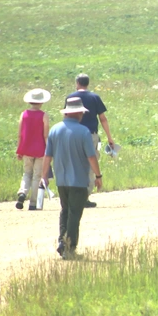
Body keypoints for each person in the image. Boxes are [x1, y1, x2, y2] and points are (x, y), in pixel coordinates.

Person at [41, 96, 103, 258]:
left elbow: (47, 156)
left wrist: (44, 176)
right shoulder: (83, 132)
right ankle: (69, 246)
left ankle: (62, 240)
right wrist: (98, 175)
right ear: (79, 114)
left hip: (62, 181)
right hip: (79, 180)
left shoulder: (55, 129)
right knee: (75, 214)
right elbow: (91, 157)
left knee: (65, 211)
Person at [68, 73, 115, 207]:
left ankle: (73, 195)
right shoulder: (95, 97)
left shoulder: (70, 97)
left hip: (73, 134)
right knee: (90, 163)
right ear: (87, 83)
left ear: (77, 83)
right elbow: (103, 119)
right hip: (90, 135)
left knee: (75, 163)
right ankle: (84, 197)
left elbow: (66, 117)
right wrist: (110, 138)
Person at [15, 88, 51, 210]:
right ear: (41, 102)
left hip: (26, 149)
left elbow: (20, 134)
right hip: (40, 149)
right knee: (37, 176)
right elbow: (46, 135)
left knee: (26, 173)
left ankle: (22, 192)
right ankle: (33, 203)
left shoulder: (23, 114)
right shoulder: (44, 115)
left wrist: (19, 150)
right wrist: (49, 149)